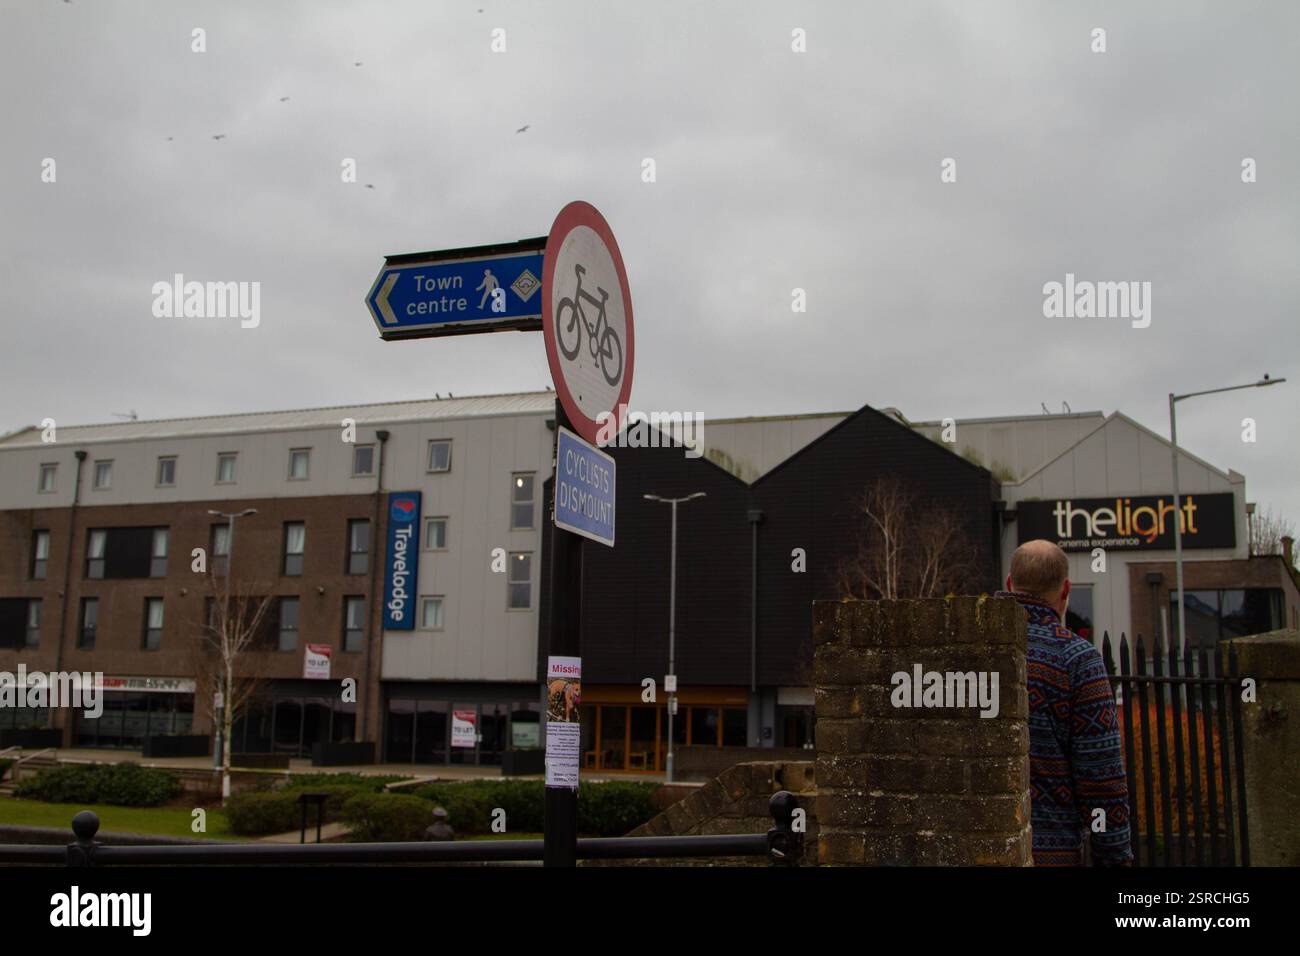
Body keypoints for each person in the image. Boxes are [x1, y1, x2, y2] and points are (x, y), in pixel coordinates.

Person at [998, 539, 1133, 866]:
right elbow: (1101, 778)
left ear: (1009, 583)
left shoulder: (971, 652)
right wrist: (1114, 856)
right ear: (1065, 589)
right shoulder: (1077, 659)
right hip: (1047, 850)